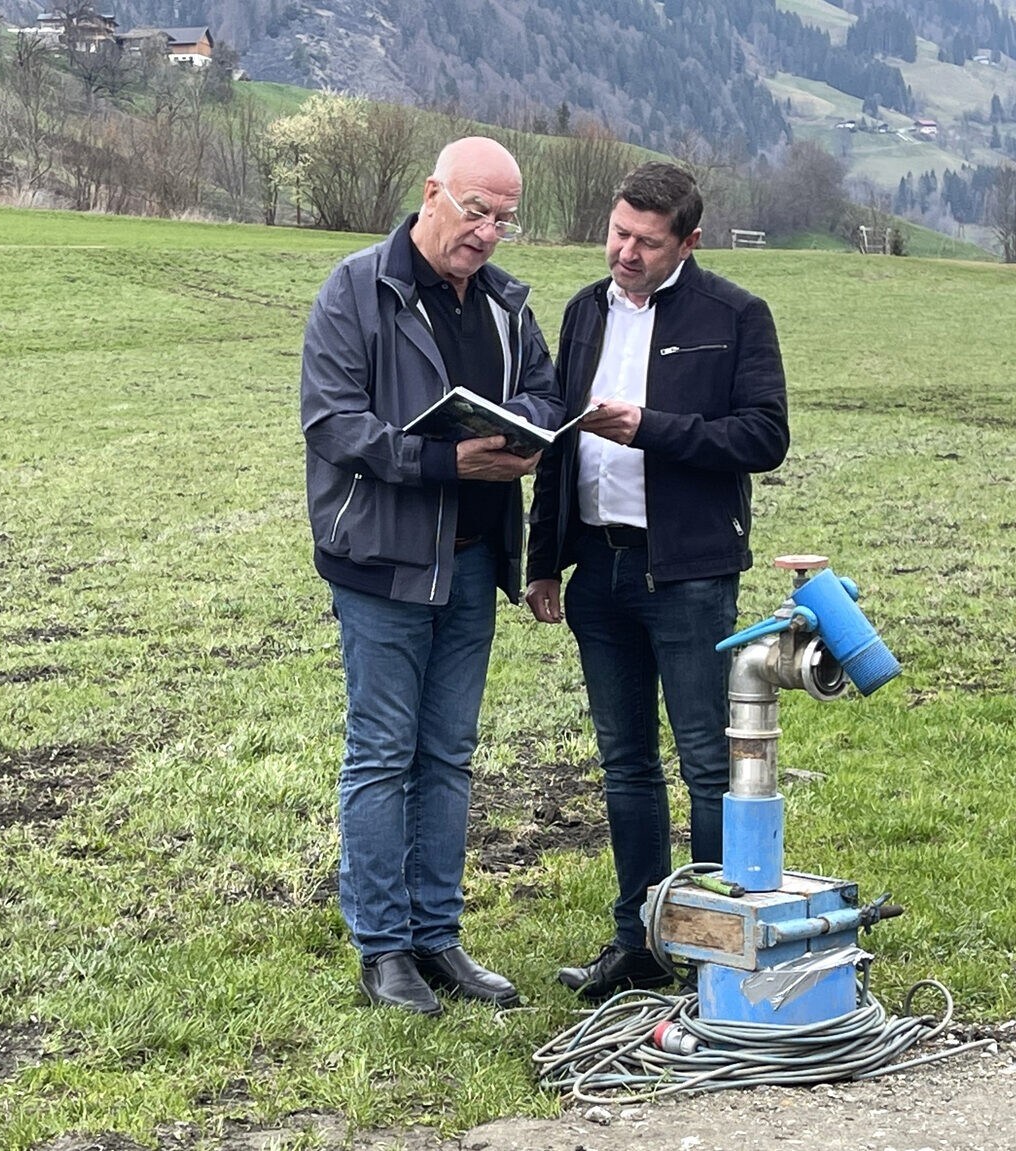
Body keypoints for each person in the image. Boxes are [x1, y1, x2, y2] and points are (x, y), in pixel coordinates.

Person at [300, 137, 567, 1016]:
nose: (487, 232)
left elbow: (542, 389)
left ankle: (437, 936)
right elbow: (334, 423)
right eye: (474, 211)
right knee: (382, 755)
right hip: (380, 563)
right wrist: (447, 461)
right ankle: (383, 951)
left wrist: (522, 427)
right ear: (430, 195)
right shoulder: (356, 290)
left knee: (448, 755)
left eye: (503, 218)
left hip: (473, 566)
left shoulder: (502, 303)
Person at [526, 162, 790, 1001]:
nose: (624, 252)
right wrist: (542, 558)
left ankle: (716, 943)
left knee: (707, 760)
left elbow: (763, 436)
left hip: (687, 571)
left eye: (645, 240)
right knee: (624, 763)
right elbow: (559, 444)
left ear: (688, 242)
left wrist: (651, 429)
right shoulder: (581, 311)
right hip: (597, 569)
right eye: (616, 232)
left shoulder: (735, 316)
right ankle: (637, 940)